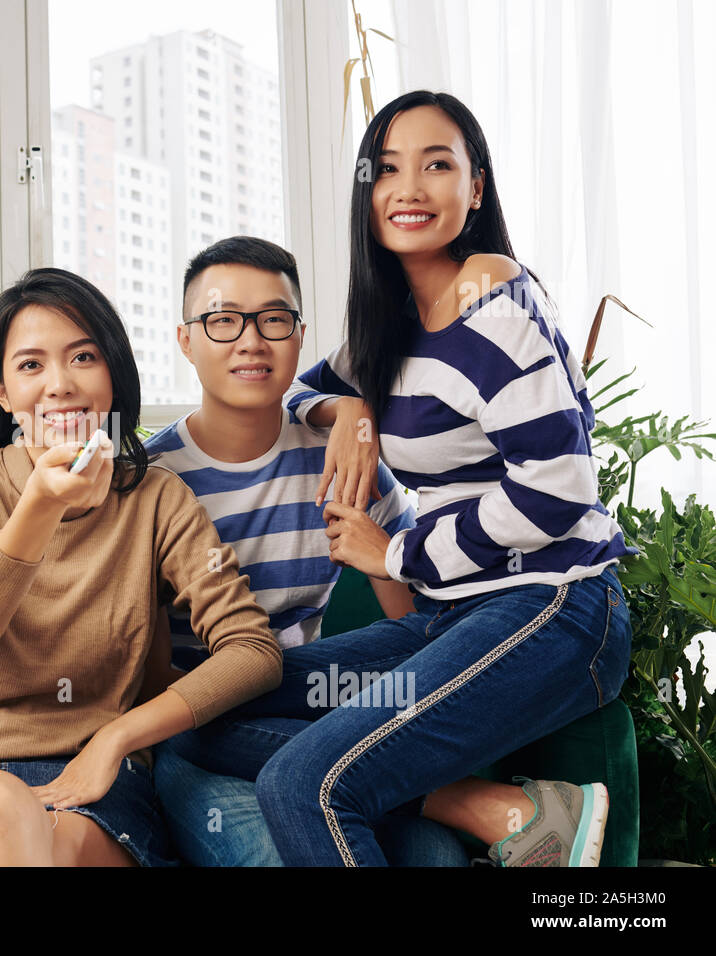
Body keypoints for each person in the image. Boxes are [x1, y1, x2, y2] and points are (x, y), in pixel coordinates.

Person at [248, 90, 632, 866]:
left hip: (554, 607)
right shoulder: (389, 330)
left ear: (476, 188)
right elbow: (297, 391)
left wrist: (395, 556)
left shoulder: (493, 304)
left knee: (304, 784)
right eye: (387, 169)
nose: (409, 189)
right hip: (455, 619)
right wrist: (354, 410)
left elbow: (560, 491)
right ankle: (509, 813)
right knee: (228, 701)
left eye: (437, 165)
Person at [0, 267, 283, 867]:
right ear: (2, 393)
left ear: (112, 374)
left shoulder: (157, 498)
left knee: (60, 846)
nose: (60, 385)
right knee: (0, 813)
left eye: (83, 357)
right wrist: (41, 506)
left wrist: (117, 737)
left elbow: (252, 651)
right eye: (30, 366)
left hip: (100, 780)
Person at [144, 235, 469, 866]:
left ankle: (441, 804)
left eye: (273, 319)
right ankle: (456, 799)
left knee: (436, 860)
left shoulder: (343, 457)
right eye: (221, 320)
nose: (250, 341)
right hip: (197, 733)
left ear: (298, 335)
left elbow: (410, 633)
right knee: (275, 856)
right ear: (186, 340)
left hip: (314, 716)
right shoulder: (155, 480)